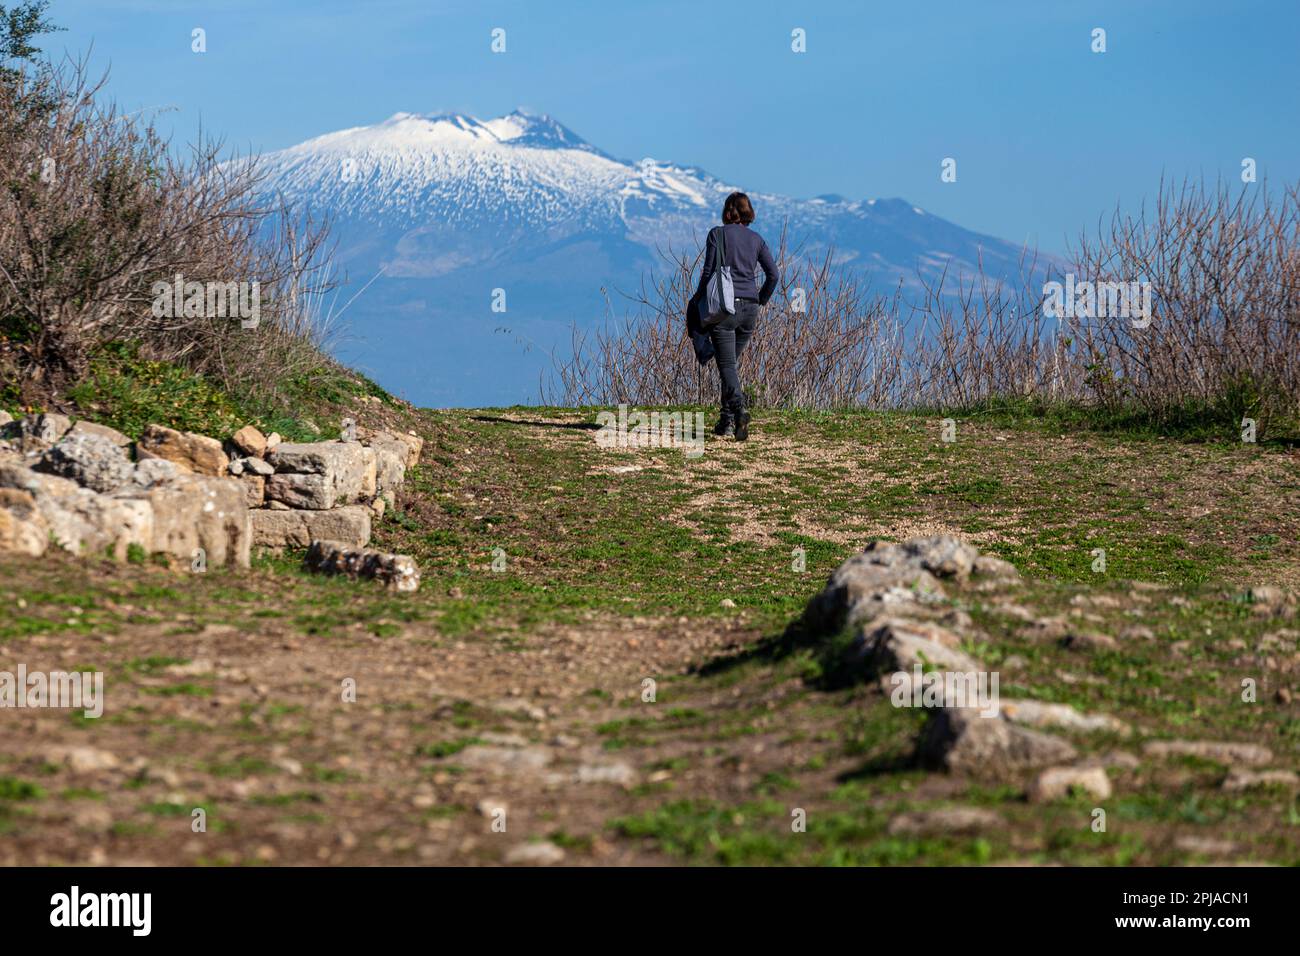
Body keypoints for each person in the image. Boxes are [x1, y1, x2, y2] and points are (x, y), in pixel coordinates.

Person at [692, 192, 778, 441]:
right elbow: (773, 275)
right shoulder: (757, 240)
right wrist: (760, 299)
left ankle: (739, 411)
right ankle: (726, 422)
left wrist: (697, 302)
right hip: (750, 311)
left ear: (728, 212)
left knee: (727, 366)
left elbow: (709, 272)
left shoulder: (717, 235)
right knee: (728, 366)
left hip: (725, 310)